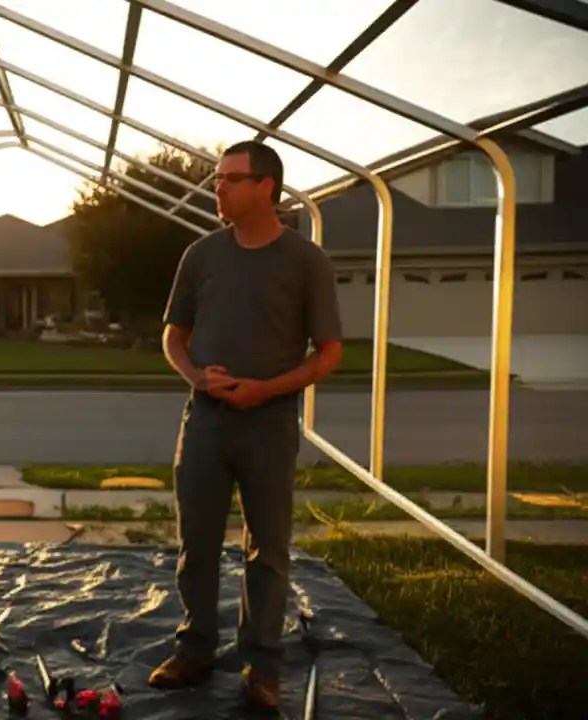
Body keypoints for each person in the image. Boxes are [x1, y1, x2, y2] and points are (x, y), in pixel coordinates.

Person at [148, 141, 344, 711]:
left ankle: (261, 665)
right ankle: (196, 649)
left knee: (269, 551)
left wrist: (266, 389)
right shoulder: (200, 255)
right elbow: (172, 337)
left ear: (267, 189)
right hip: (206, 420)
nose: (218, 188)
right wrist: (195, 378)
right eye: (217, 179)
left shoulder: (307, 261)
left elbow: (328, 353)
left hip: (270, 423)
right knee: (197, 542)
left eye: (231, 179)